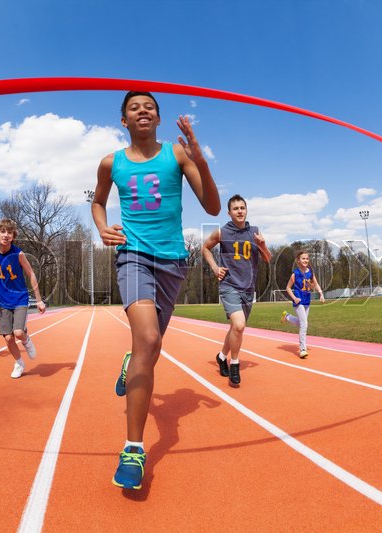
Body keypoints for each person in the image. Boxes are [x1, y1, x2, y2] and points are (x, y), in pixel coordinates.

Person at [92, 90, 220, 490]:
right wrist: (101, 227)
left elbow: (213, 207)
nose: (143, 110)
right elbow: (97, 203)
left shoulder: (177, 156)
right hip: (132, 255)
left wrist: (199, 155)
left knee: (151, 347)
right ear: (123, 120)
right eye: (134, 107)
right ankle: (133, 447)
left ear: (158, 119)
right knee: (147, 337)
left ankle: (133, 361)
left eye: (149, 107)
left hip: (172, 262)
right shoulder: (110, 163)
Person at [201, 194, 271, 386]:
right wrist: (215, 268)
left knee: (235, 328)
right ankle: (235, 363)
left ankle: (222, 356)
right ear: (229, 212)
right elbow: (205, 248)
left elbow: (267, 259)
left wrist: (263, 245)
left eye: (242, 208)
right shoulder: (222, 232)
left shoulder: (255, 232)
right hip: (229, 285)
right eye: (236, 208)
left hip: (248, 287)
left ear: (246, 210)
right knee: (239, 325)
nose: (240, 211)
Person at [0, 218, 46, 378]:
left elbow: (31, 273)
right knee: (7, 338)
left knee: (18, 332)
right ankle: (19, 363)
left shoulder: (18, 254)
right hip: (3, 300)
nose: (6, 235)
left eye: (9, 232)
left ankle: (26, 340)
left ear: (13, 236)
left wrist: (39, 300)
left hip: (19, 297)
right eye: (3, 232)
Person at [281, 249, 324, 358]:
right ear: (298, 261)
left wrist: (321, 294)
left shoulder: (310, 272)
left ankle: (287, 317)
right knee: (304, 324)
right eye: (303, 258)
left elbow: (316, 283)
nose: (305, 260)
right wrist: (294, 298)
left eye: (307, 258)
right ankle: (302, 349)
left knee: (300, 323)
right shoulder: (295, 274)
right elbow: (288, 288)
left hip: (307, 301)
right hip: (298, 301)